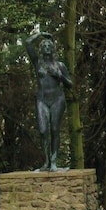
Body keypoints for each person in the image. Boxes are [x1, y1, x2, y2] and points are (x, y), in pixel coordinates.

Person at [27, 34, 71, 170]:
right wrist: (40, 35)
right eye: (44, 46)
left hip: (57, 99)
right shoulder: (37, 63)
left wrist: (60, 76)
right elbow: (28, 43)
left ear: (53, 49)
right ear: (41, 49)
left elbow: (70, 84)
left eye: (49, 46)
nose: (46, 48)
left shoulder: (60, 65)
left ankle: (53, 161)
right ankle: (46, 161)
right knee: (42, 130)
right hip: (42, 99)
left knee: (54, 129)